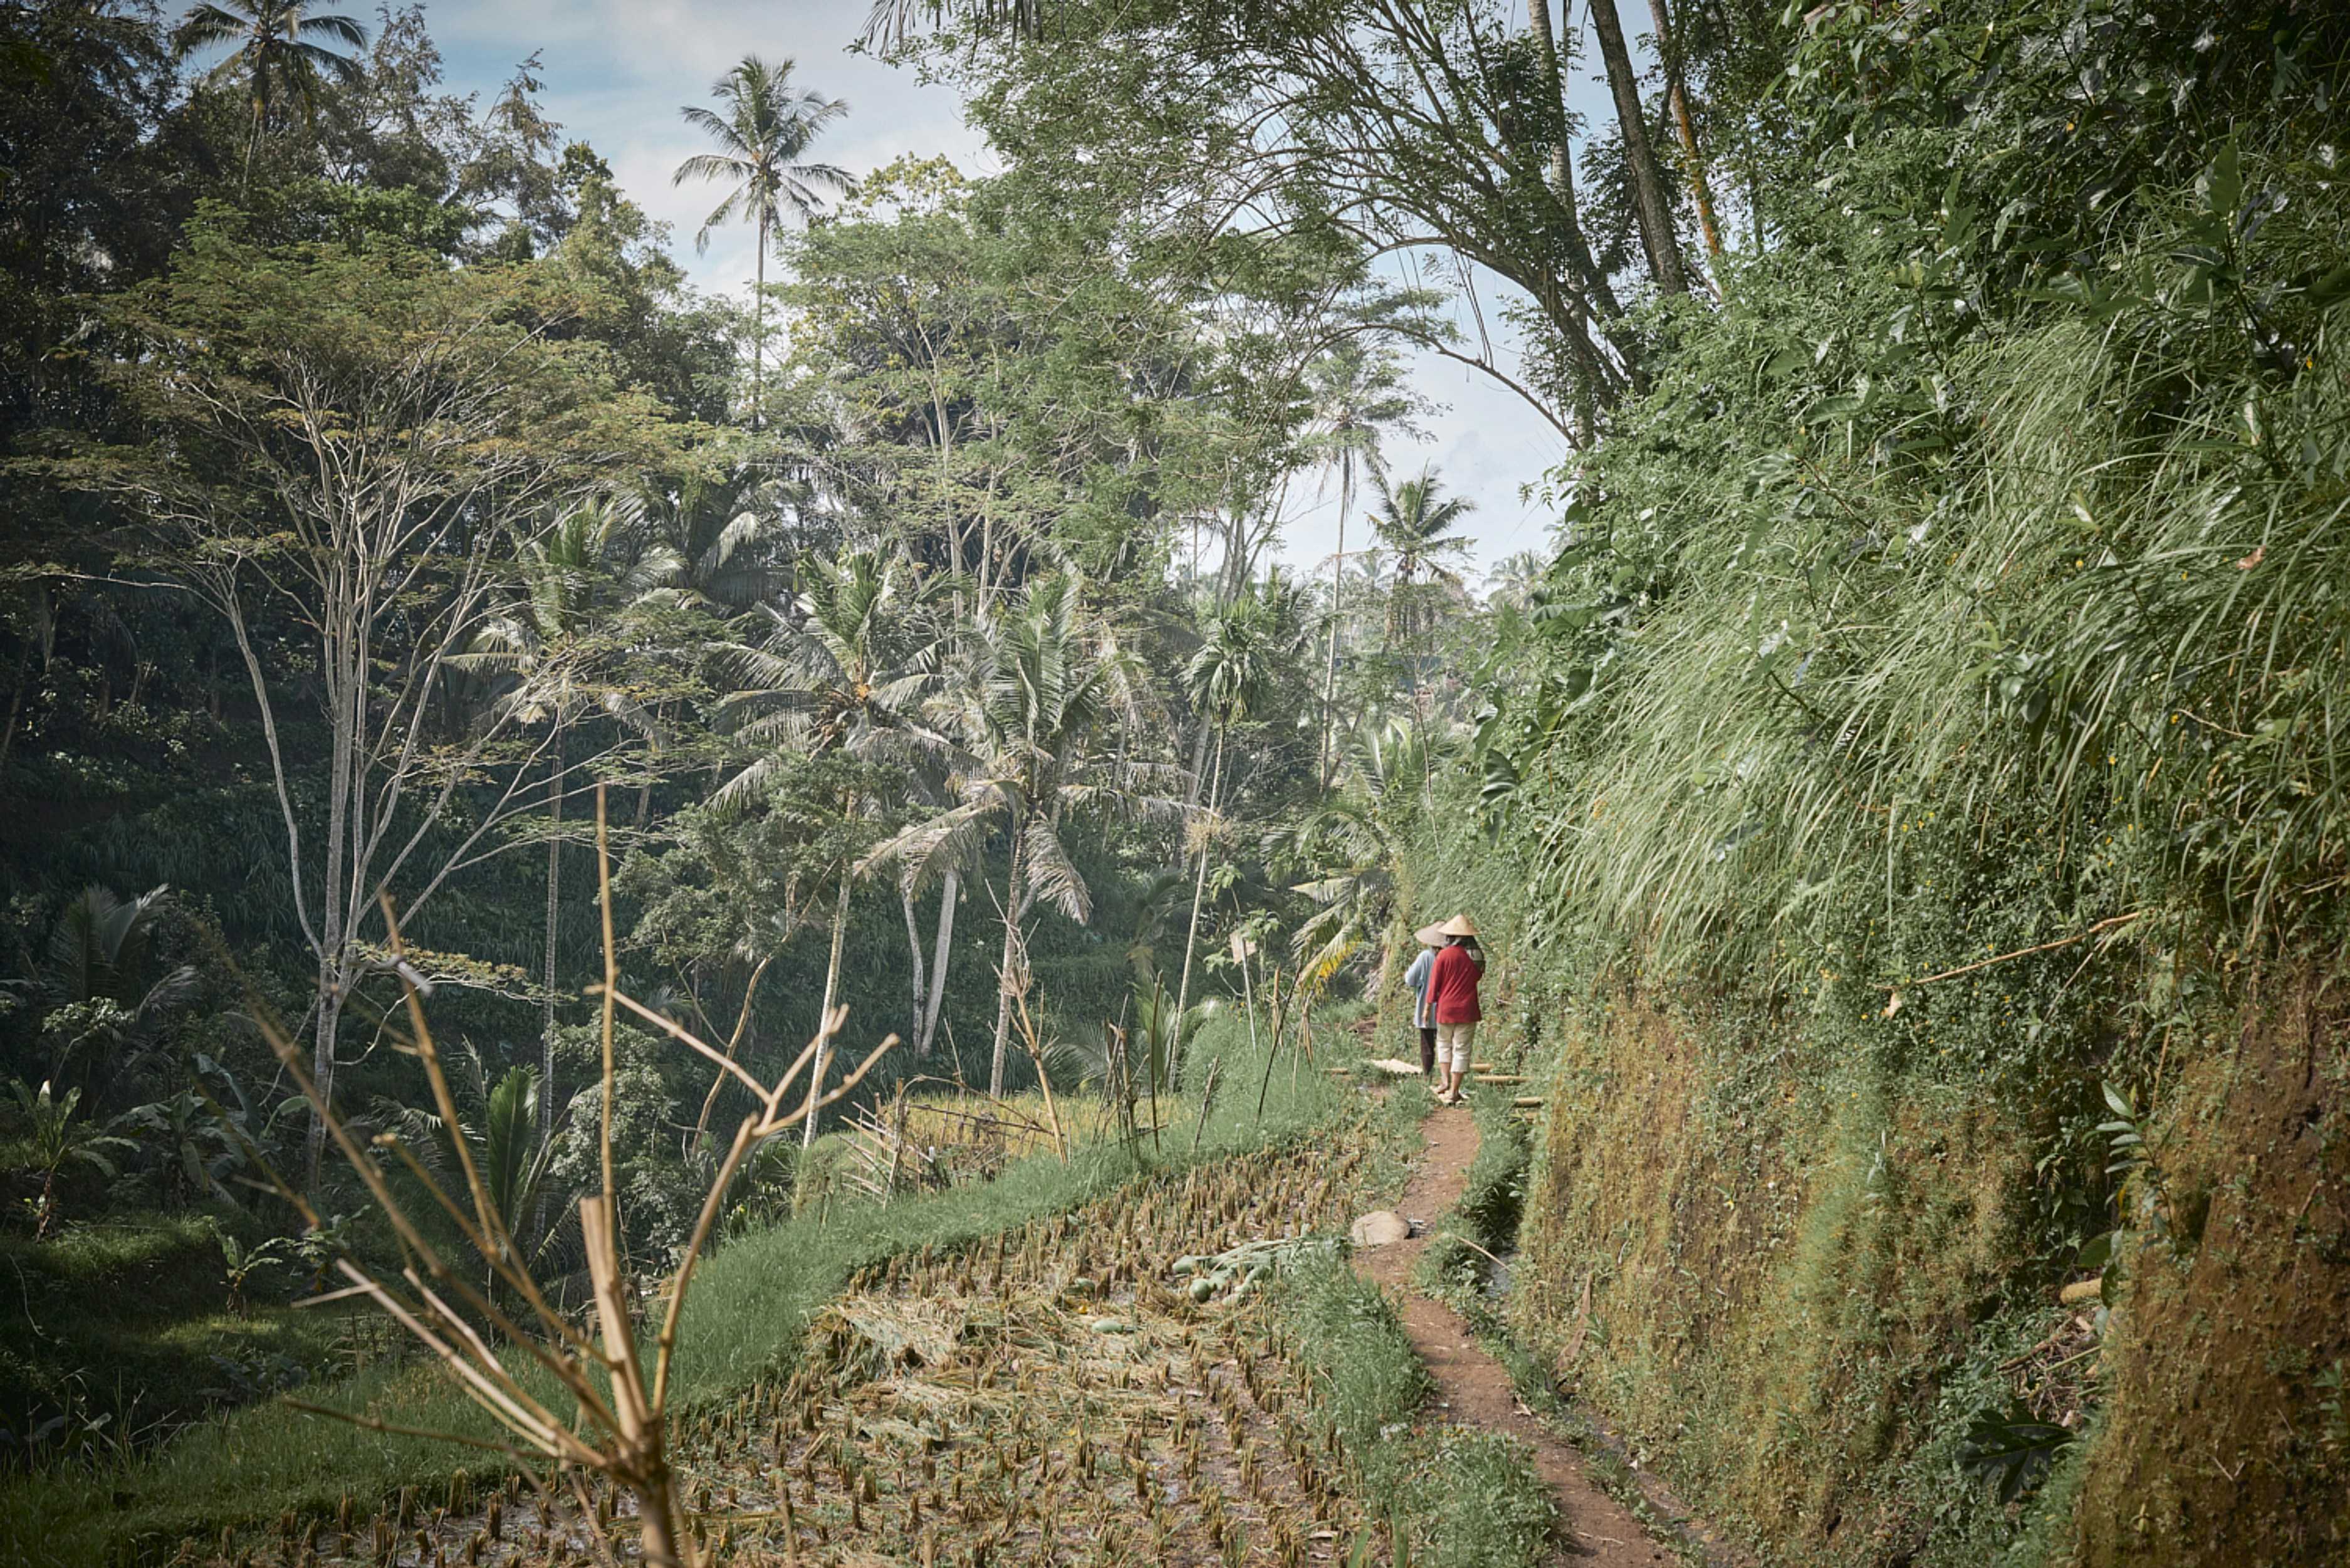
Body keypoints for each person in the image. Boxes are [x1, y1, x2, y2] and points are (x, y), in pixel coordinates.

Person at [1426, 914, 1484, 1104]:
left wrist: (1427, 1008)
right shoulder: (1476, 958)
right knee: (1462, 1049)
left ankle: (1444, 1082)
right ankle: (1454, 1090)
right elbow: (1477, 977)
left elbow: (1434, 985)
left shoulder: (1443, 955)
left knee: (1444, 1044)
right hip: (1468, 1009)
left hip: (1446, 1009)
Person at [1402, 922, 1446, 1078]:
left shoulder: (1425, 957)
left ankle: (1427, 1076)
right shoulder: (1450, 956)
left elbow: (1410, 980)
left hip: (1427, 1008)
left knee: (1427, 1045)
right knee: (1446, 1044)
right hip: (1447, 1007)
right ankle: (1445, 1078)